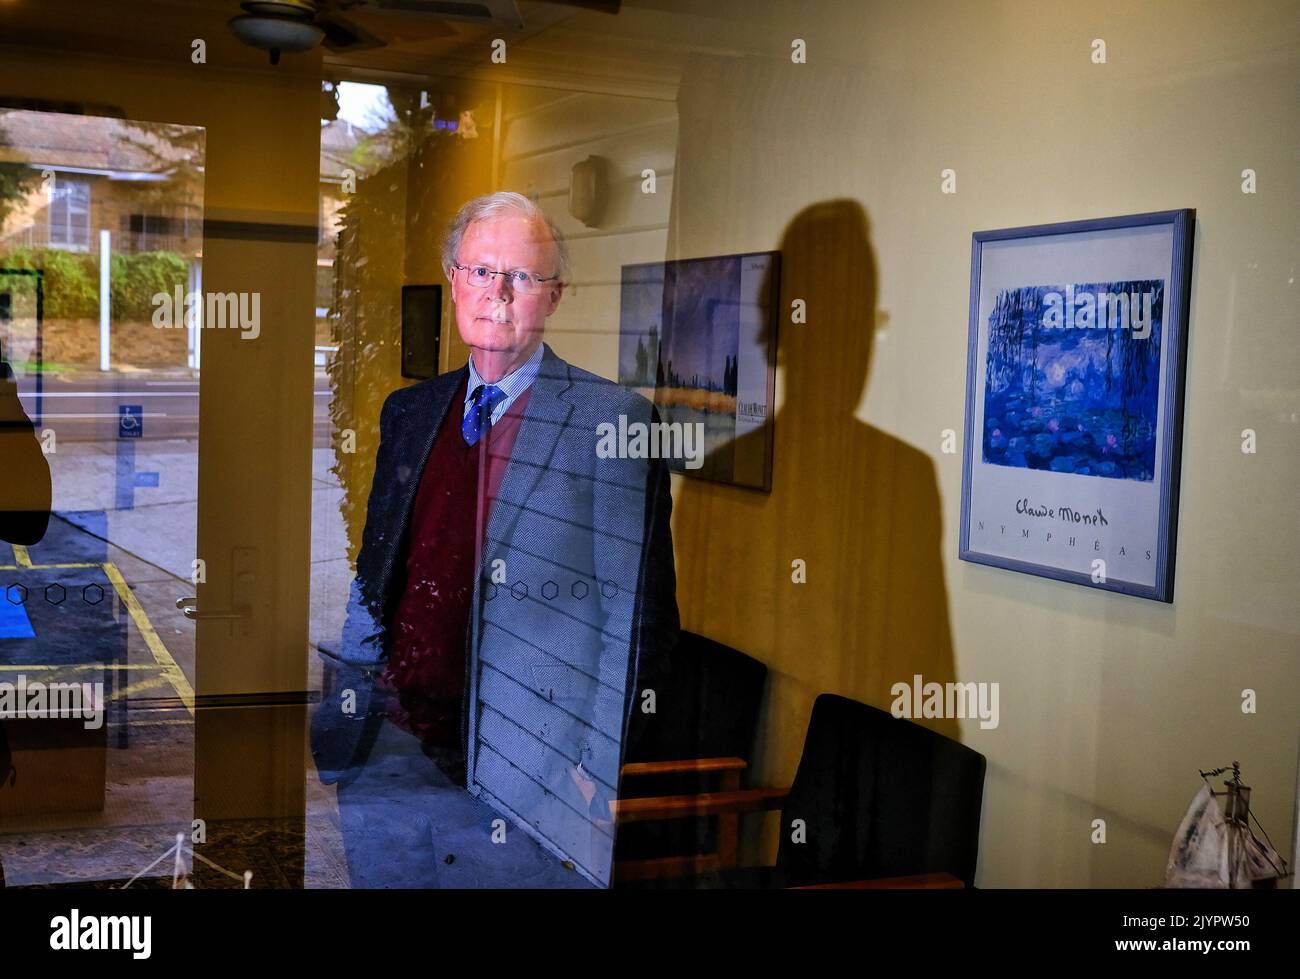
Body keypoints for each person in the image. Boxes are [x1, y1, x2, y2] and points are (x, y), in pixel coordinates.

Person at [311, 192, 678, 888]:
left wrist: (593, 774)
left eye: (523, 276)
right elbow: (377, 568)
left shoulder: (616, 421)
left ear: (555, 295)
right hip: (388, 759)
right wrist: (351, 706)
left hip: (531, 779)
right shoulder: (411, 412)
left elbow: (641, 623)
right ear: (454, 278)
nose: (498, 293)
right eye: (481, 271)